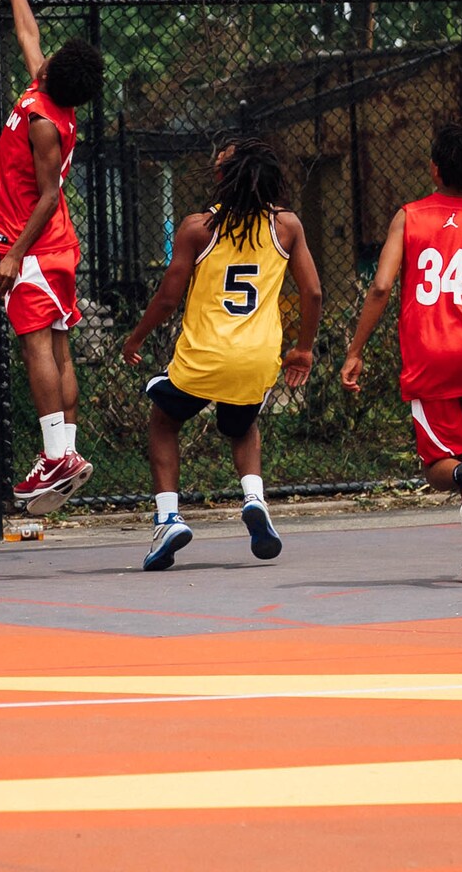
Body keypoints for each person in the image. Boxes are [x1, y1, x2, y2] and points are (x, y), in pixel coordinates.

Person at [340, 119, 462, 583]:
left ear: (434, 169)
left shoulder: (409, 216)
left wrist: (355, 350)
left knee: (439, 465)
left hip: (432, 351)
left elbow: (381, 286)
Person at [121, 136, 321, 571]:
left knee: (163, 420)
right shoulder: (286, 226)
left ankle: (168, 518)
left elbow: (168, 299)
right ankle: (254, 498)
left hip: (205, 356)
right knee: (242, 426)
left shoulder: (198, 228)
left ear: (221, 178)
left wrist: (135, 338)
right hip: (257, 357)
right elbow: (313, 293)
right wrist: (303, 348)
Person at [0, 0, 105, 516]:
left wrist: (13, 254)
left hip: (34, 244)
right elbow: (29, 35)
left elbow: (51, 193)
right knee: (58, 348)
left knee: (36, 343)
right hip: (57, 245)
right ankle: (67, 453)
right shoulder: (49, 94)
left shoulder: (42, 124)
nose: (46, 52)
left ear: (55, 75)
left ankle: (55, 457)